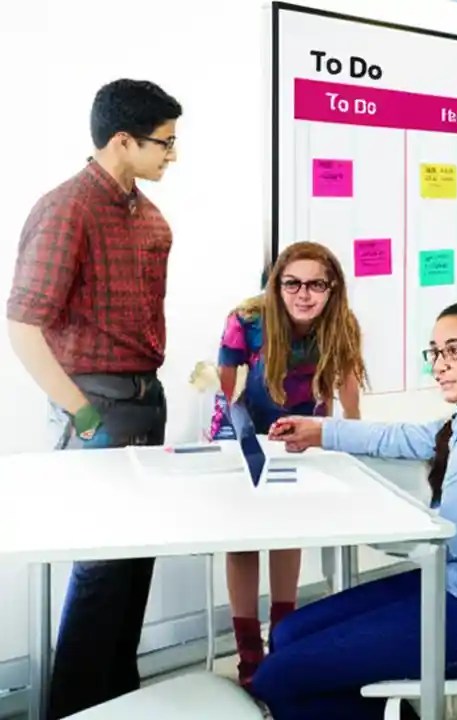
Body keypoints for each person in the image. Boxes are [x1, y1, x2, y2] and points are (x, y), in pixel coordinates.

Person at [249, 300, 457, 720]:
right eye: (435, 352)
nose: (440, 365)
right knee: (289, 632)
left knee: (279, 677)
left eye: (455, 350)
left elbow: (450, 541)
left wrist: (366, 518)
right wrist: (323, 431)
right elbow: (409, 437)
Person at [5, 79, 182, 718]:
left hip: (146, 398)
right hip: (98, 406)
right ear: (122, 141)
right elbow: (22, 324)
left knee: (134, 567)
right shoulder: (68, 209)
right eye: (164, 142)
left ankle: (119, 703)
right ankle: (76, 709)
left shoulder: (151, 216)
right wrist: (81, 413)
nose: (173, 154)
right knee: (103, 571)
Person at [209, 241, 369, 686]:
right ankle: (248, 658)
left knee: (288, 529)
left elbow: (346, 387)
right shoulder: (246, 320)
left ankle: (284, 642)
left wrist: (350, 437)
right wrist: (251, 448)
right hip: (239, 426)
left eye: (316, 284)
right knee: (243, 538)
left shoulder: (341, 323)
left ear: (332, 287)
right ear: (277, 284)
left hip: (299, 427)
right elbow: (229, 392)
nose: (304, 294)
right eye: (292, 283)